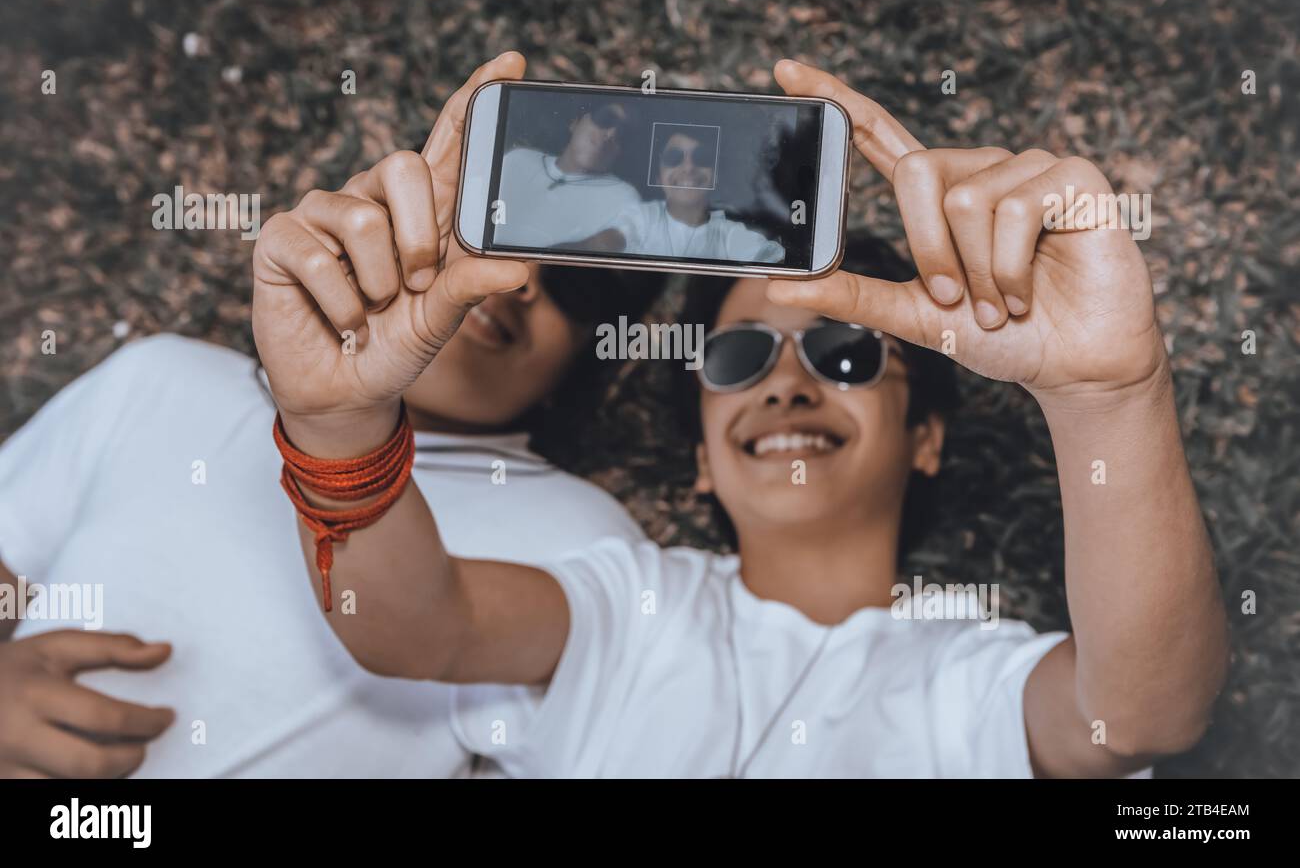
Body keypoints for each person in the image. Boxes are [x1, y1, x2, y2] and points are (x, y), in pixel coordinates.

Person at [260, 55, 1229, 777]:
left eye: (844, 355)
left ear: (926, 437)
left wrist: (1110, 400)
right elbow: (410, 630)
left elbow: (1142, 717)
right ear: (700, 463)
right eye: (738, 356)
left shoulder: (964, 683)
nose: (786, 385)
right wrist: (336, 427)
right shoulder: (629, 611)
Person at [0, 54, 662, 778]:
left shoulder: (583, 542)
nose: (520, 273)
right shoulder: (161, 379)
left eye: (588, 274)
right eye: (501, 213)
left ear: (587, 364)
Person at [602, 126, 786, 263]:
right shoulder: (640, 217)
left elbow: (767, 257)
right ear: (657, 176)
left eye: (702, 157)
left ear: (715, 175)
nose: (688, 167)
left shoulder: (728, 231)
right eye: (674, 158)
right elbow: (607, 241)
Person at [491, 99, 642, 251]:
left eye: (624, 134)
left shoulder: (623, 198)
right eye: (606, 119)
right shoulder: (519, 159)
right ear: (575, 122)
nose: (611, 134)